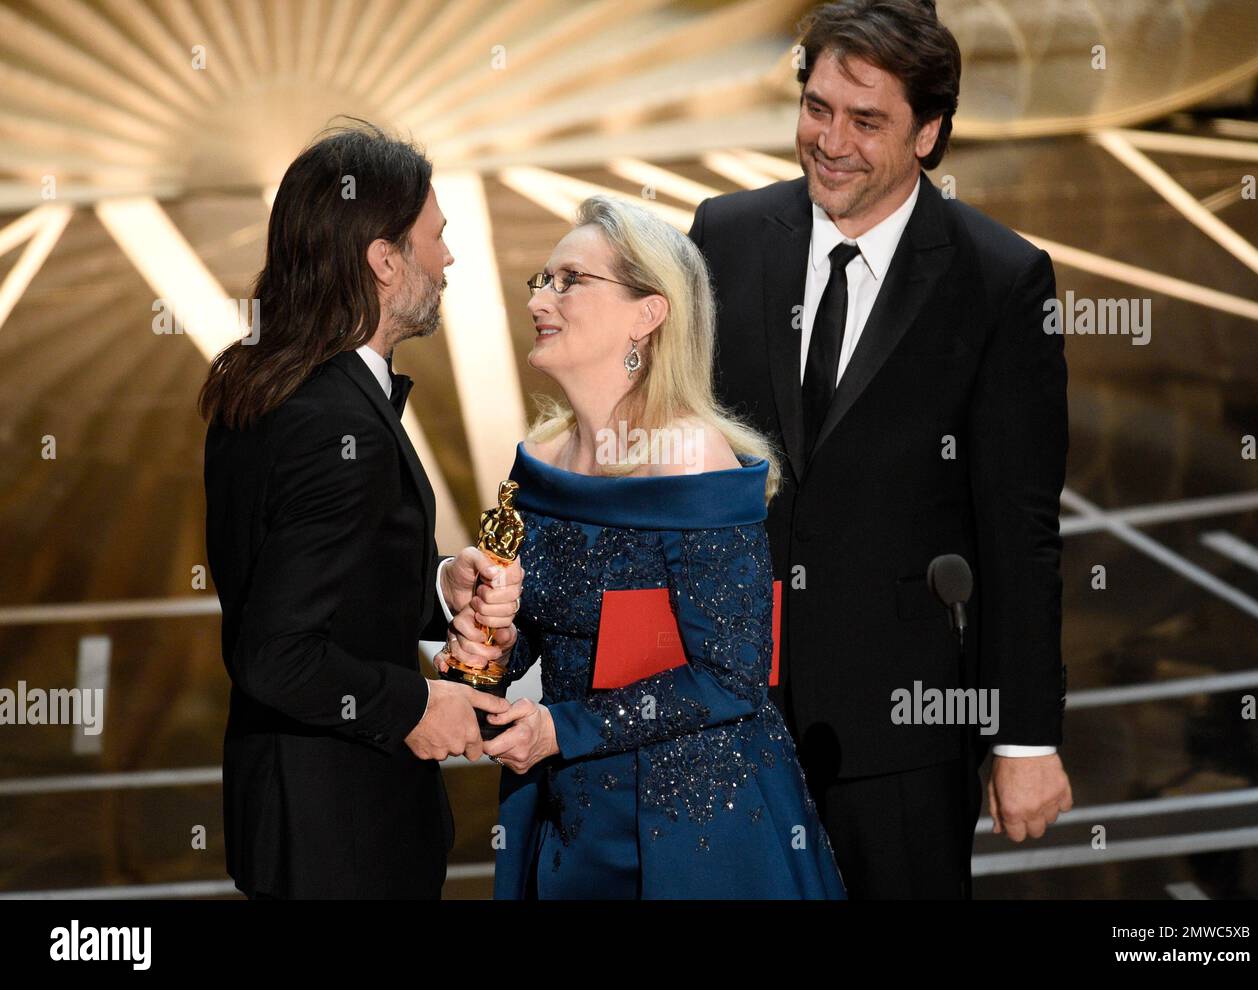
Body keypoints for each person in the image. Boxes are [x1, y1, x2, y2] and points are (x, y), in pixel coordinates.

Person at [686, 0, 1073, 898]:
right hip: (725, 716)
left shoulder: (1001, 279)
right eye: (818, 108)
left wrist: (1025, 737)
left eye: (868, 122)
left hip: (903, 738)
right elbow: (676, 459)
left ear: (929, 134)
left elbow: (1020, 531)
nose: (832, 141)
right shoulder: (726, 237)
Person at [439, 195, 845, 898]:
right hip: (569, 815)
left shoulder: (690, 456)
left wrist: (560, 729)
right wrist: (493, 641)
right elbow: (545, 638)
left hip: (695, 830)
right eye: (543, 278)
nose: (542, 296)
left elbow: (732, 676)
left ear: (647, 314)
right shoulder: (539, 460)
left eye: (571, 280)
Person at [201, 122, 523, 899]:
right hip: (340, 837)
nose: (448, 259)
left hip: (297, 819)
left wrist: (438, 584)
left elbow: (318, 584)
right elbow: (275, 653)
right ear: (385, 260)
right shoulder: (336, 420)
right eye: (436, 238)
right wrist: (417, 702)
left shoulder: (273, 386)